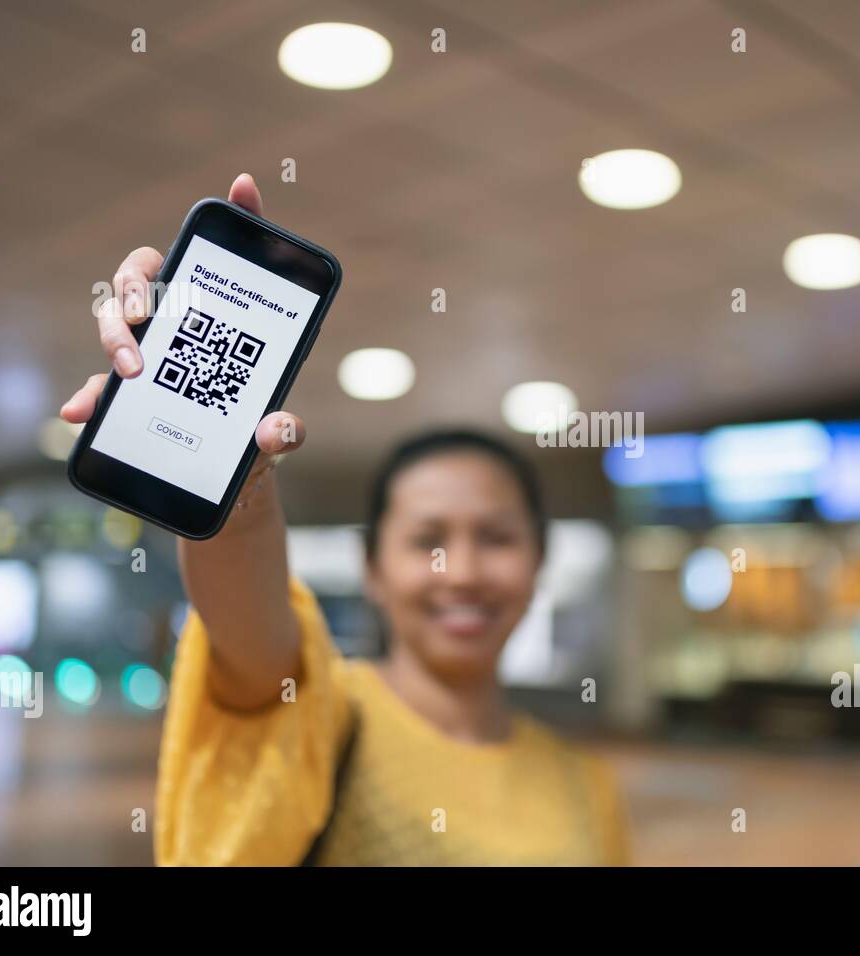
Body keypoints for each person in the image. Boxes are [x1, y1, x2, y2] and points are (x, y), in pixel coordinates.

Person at [60, 174, 631, 866]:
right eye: (428, 540)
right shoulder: (320, 709)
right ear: (374, 570)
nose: (466, 570)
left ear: (540, 563)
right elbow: (251, 632)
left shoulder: (585, 782)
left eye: (499, 538)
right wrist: (239, 482)